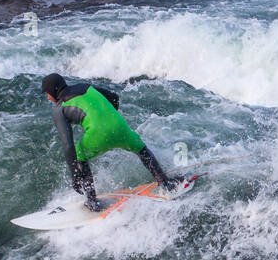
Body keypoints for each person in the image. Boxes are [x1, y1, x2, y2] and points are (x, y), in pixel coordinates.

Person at [42, 73, 181, 212]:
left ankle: (92, 201)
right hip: (121, 128)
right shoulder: (86, 86)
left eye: (47, 94)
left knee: (79, 153)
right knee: (141, 149)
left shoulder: (59, 109)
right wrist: (108, 117)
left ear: (54, 91)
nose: (48, 97)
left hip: (98, 134)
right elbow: (114, 97)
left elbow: (67, 145)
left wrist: (75, 175)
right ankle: (165, 182)